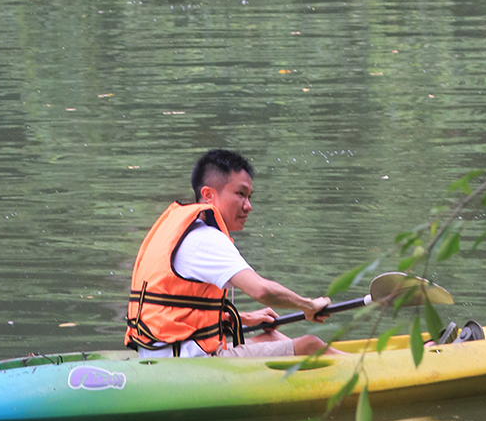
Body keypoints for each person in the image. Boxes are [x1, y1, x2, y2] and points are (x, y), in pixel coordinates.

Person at [126, 149, 342, 358]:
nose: (248, 206)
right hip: (187, 362)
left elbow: (179, 310)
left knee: (273, 337)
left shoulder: (182, 231)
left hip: (162, 351)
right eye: (240, 194)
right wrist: (308, 305)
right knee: (310, 344)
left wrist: (242, 318)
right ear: (208, 195)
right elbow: (261, 291)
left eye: (249, 197)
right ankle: (369, 373)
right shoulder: (206, 238)